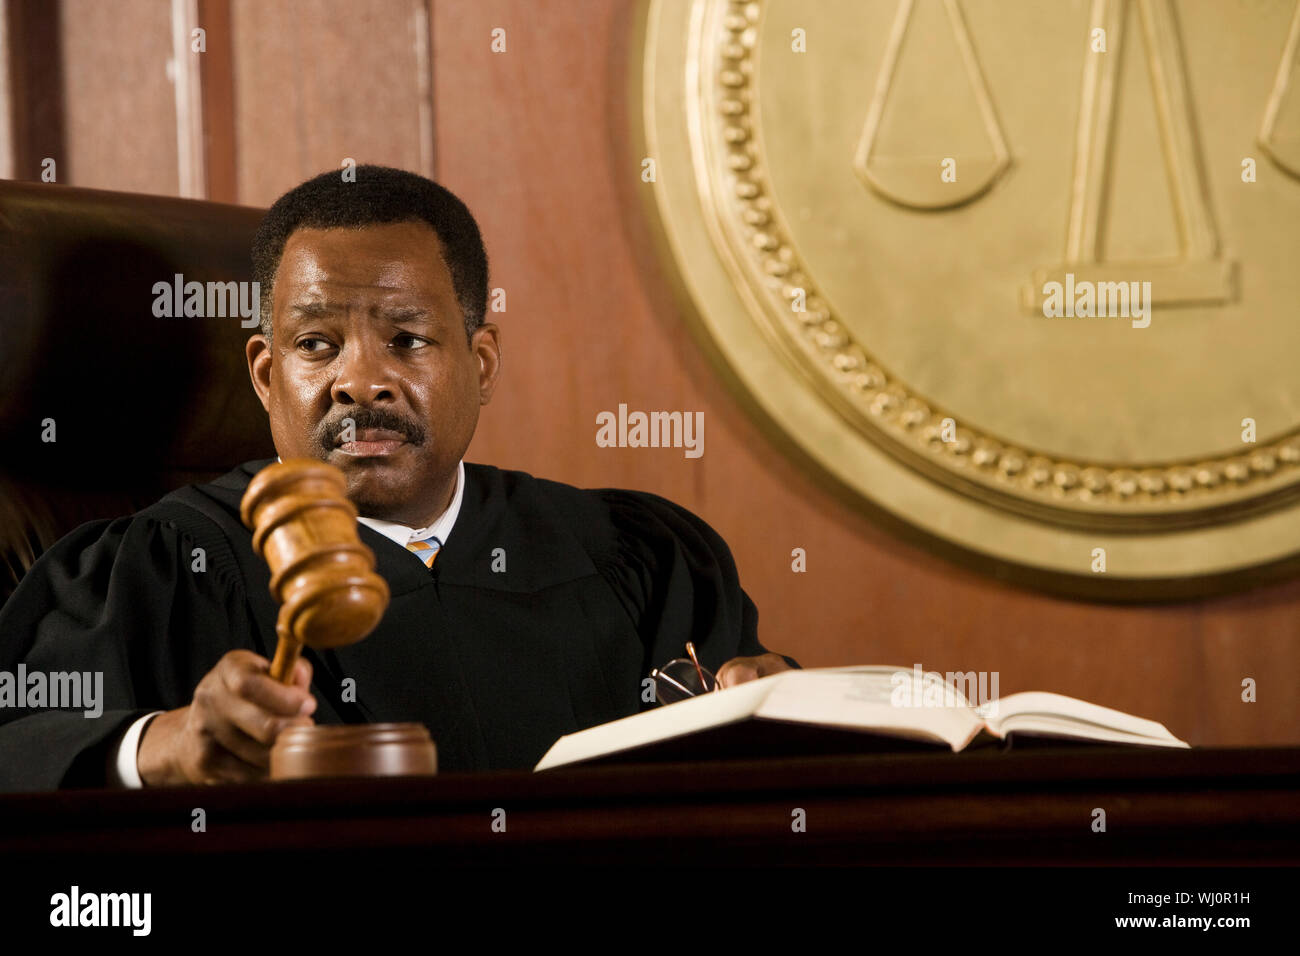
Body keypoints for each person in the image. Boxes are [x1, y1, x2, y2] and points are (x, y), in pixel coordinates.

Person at [0, 166, 798, 792]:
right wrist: (163, 746)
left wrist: (781, 705)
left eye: (408, 338)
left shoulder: (636, 559)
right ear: (265, 375)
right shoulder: (162, 568)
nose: (361, 382)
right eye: (316, 346)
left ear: (481, 364)